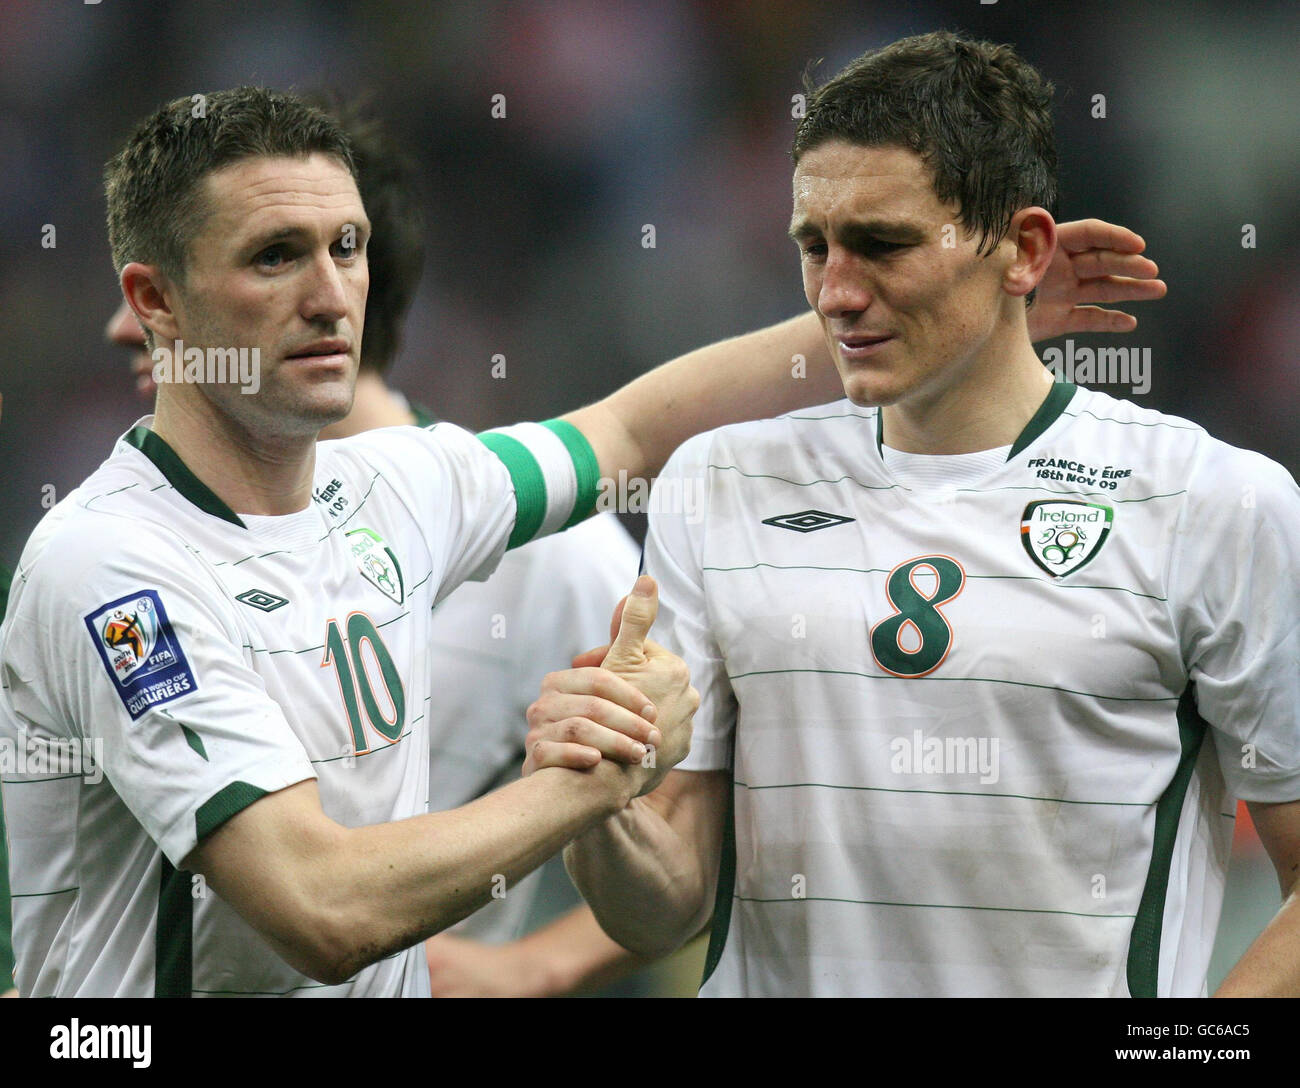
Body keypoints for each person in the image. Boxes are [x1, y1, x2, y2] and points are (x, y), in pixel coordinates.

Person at [0, 82, 1164, 998]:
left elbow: (634, 423)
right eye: (273, 257)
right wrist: (597, 766)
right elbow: (319, 907)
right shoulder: (114, 564)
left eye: (346, 247)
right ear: (153, 302)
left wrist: (948, 302)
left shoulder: (393, 486)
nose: (329, 294)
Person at [548, 31, 1299, 998]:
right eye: (813, 246)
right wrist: (596, 801)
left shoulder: (1214, 502)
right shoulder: (717, 484)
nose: (836, 293)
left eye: (883, 244)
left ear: (1023, 249)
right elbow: (669, 907)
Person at [103, 103, 654, 998]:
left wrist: (538, 964)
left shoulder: (547, 551)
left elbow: (714, 817)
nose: (128, 325)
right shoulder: (137, 559)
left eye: (318, 250)